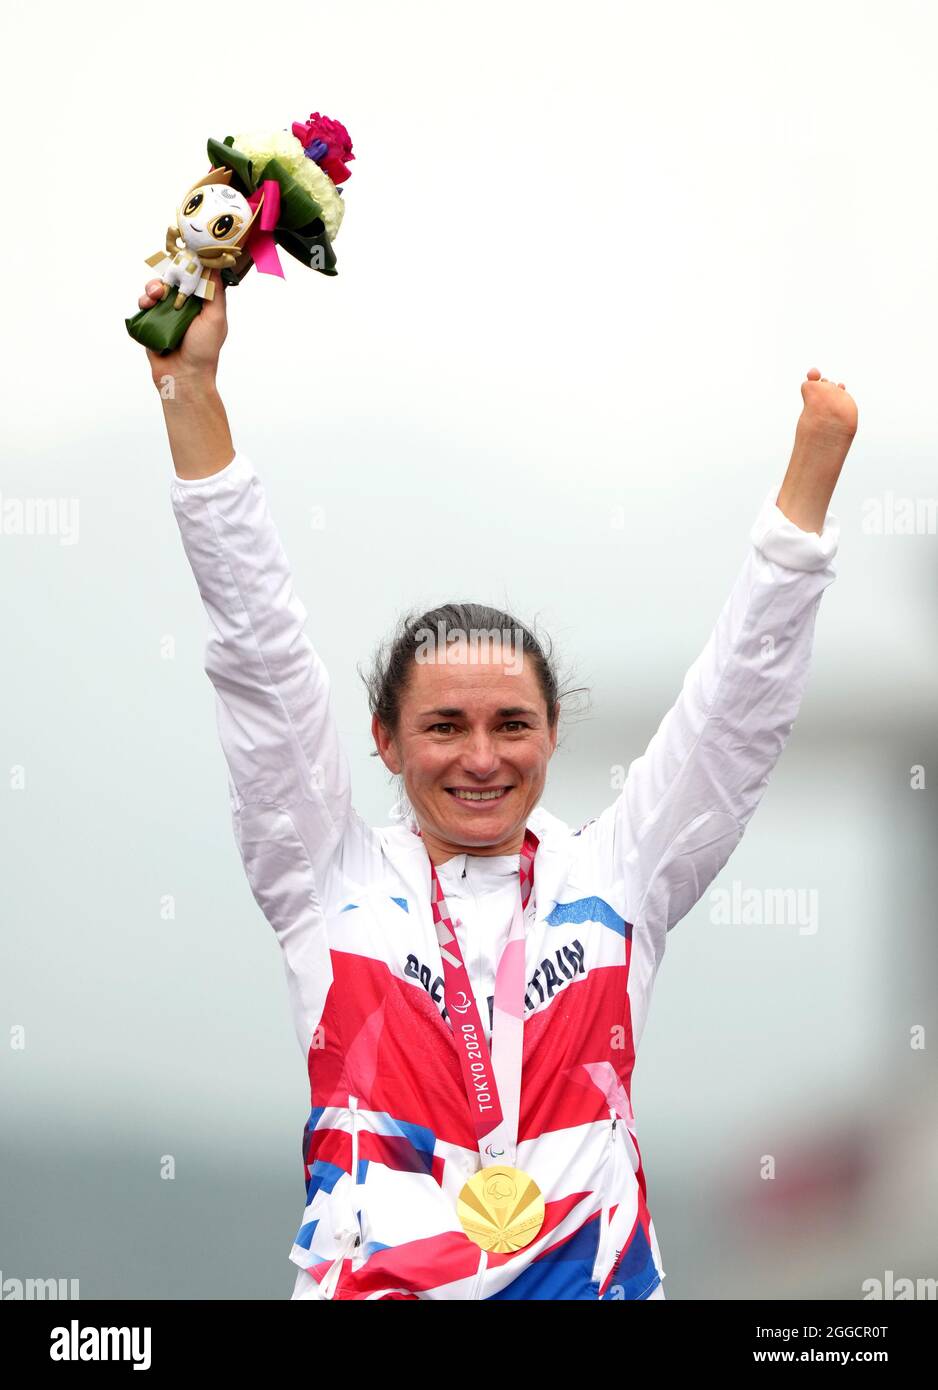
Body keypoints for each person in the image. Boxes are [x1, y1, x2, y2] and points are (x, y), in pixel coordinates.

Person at [139, 269, 858, 1300]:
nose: (481, 756)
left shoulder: (619, 879)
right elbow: (259, 660)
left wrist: (803, 498)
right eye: (444, 725)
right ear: (382, 740)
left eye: (510, 723)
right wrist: (190, 395)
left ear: (552, 735)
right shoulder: (323, 880)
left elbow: (733, 719)